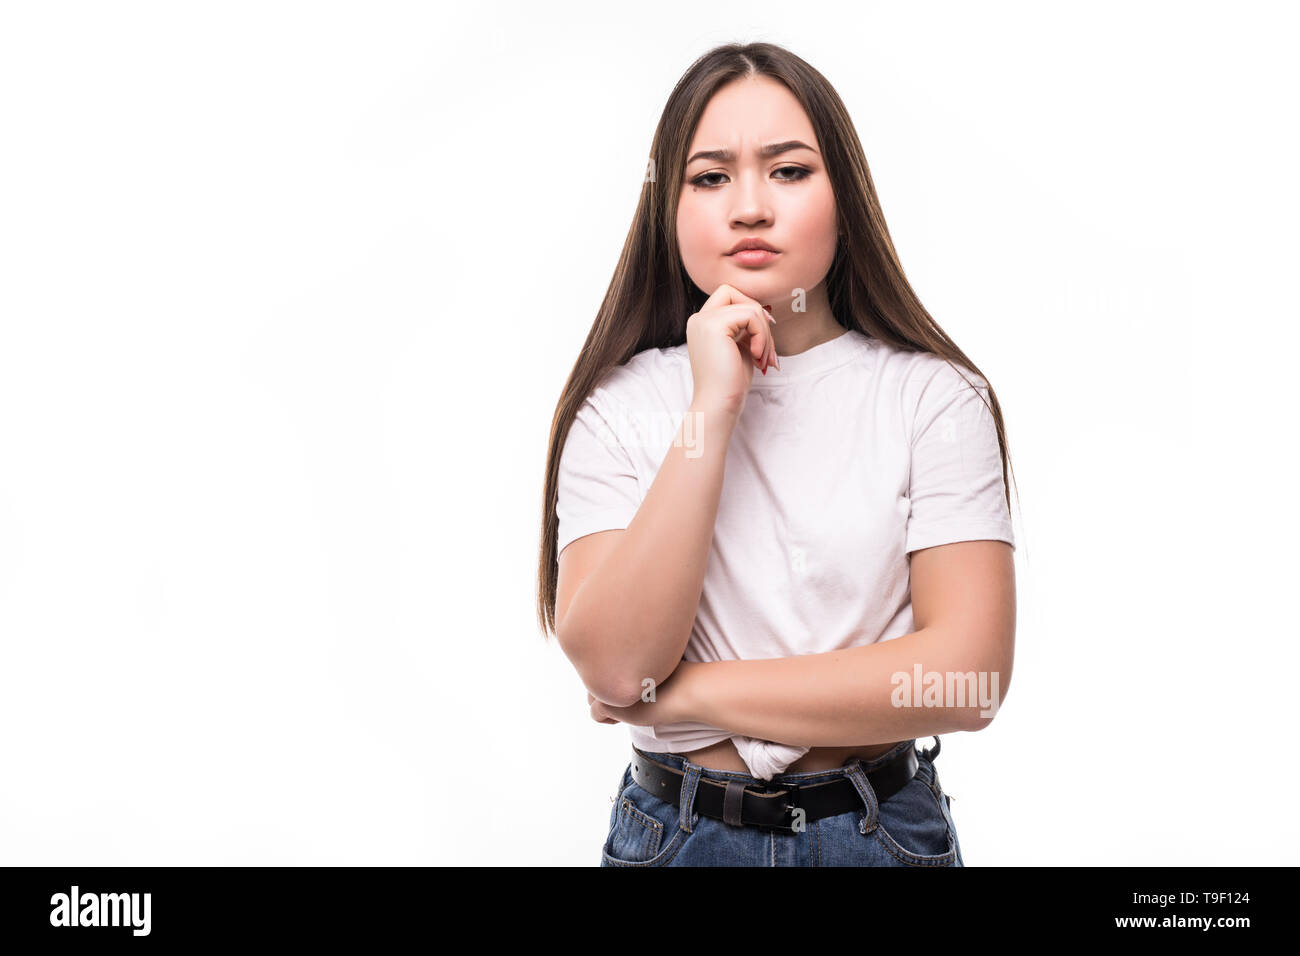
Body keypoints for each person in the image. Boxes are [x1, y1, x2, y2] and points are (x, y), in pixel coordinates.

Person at [536, 41, 1018, 866]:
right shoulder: (619, 408)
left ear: (845, 198)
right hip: (677, 836)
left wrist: (677, 694)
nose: (749, 207)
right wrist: (714, 404)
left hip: (880, 833)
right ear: (669, 206)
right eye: (710, 176)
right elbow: (618, 661)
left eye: (789, 172)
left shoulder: (933, 396)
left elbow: (967, 676)